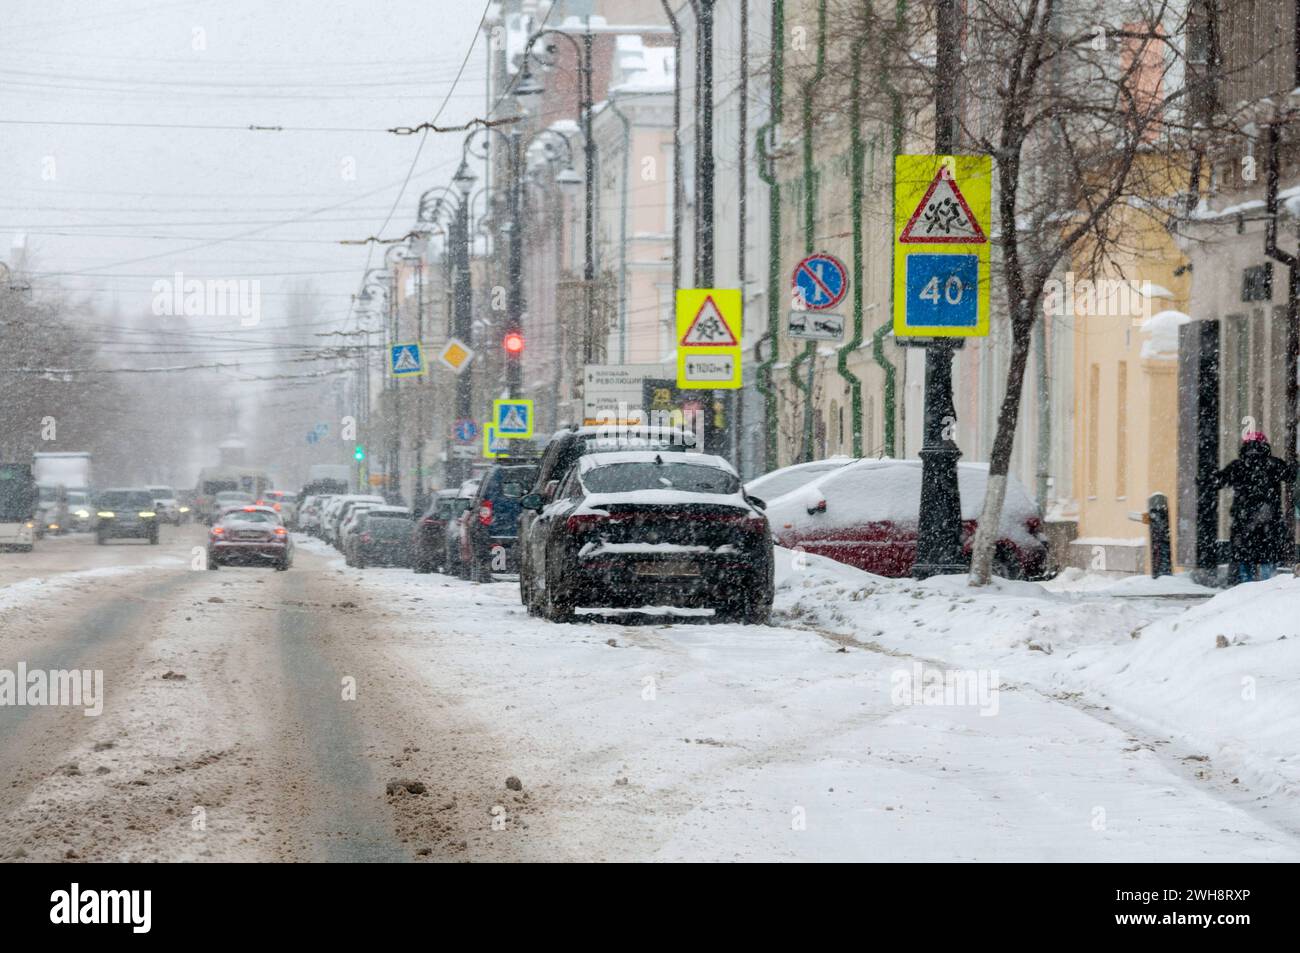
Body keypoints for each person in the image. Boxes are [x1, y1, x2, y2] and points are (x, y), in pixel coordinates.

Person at [1215, 431, 1297, 583]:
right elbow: (1291, 475)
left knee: (1245, 560)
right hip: (1269, 520)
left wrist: (1205, 477)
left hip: (1244, 522)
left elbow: (1218, 481)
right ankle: (1267, 590)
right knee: (1268, 560)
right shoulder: (1274, 464)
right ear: (1265, 445)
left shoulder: (1238, 466)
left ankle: (1247, 590)